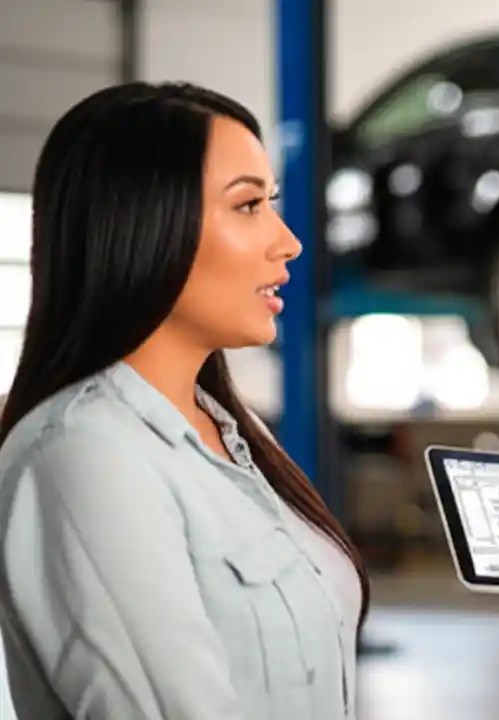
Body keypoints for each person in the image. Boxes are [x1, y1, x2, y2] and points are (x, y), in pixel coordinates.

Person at [0, 82, 367, 720]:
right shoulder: (86, 460)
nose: (288, 242)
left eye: (270, 202)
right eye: (248, 205)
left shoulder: (235, 432)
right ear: (145, 223)